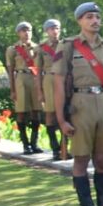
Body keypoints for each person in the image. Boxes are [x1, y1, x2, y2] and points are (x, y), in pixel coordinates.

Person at [53, 2, 103, 206]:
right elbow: (58, 82)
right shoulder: (68, 46)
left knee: (102, 159)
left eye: (97, 17)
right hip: (80, 103)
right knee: (81, 158)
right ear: (80, 21)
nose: (94, 21)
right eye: (89, 17)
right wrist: (61, 120)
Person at [5, 21, 44, 154]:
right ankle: (25, 144)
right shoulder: (13, 49)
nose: (26, 33)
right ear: (18, 33)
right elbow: (10, 70)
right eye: (23, 30)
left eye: (29, 30)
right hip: (20, 79)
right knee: (21, 112)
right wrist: (12, 89)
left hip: (34, 79)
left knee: (36, 111)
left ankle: (34, 143)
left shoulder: (38, 48)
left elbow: (40, 67)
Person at [35, 18, 64, 159]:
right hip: (49, 81)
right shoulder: (40, 48)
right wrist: (40, 91)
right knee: (50, 114)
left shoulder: (65, 45)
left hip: (64, 80)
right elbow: (38, 70)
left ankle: (64, 147)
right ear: (46, 31)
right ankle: (55, 149)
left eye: (57, 28)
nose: (55, 31)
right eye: (52, 28)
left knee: (66, 113)